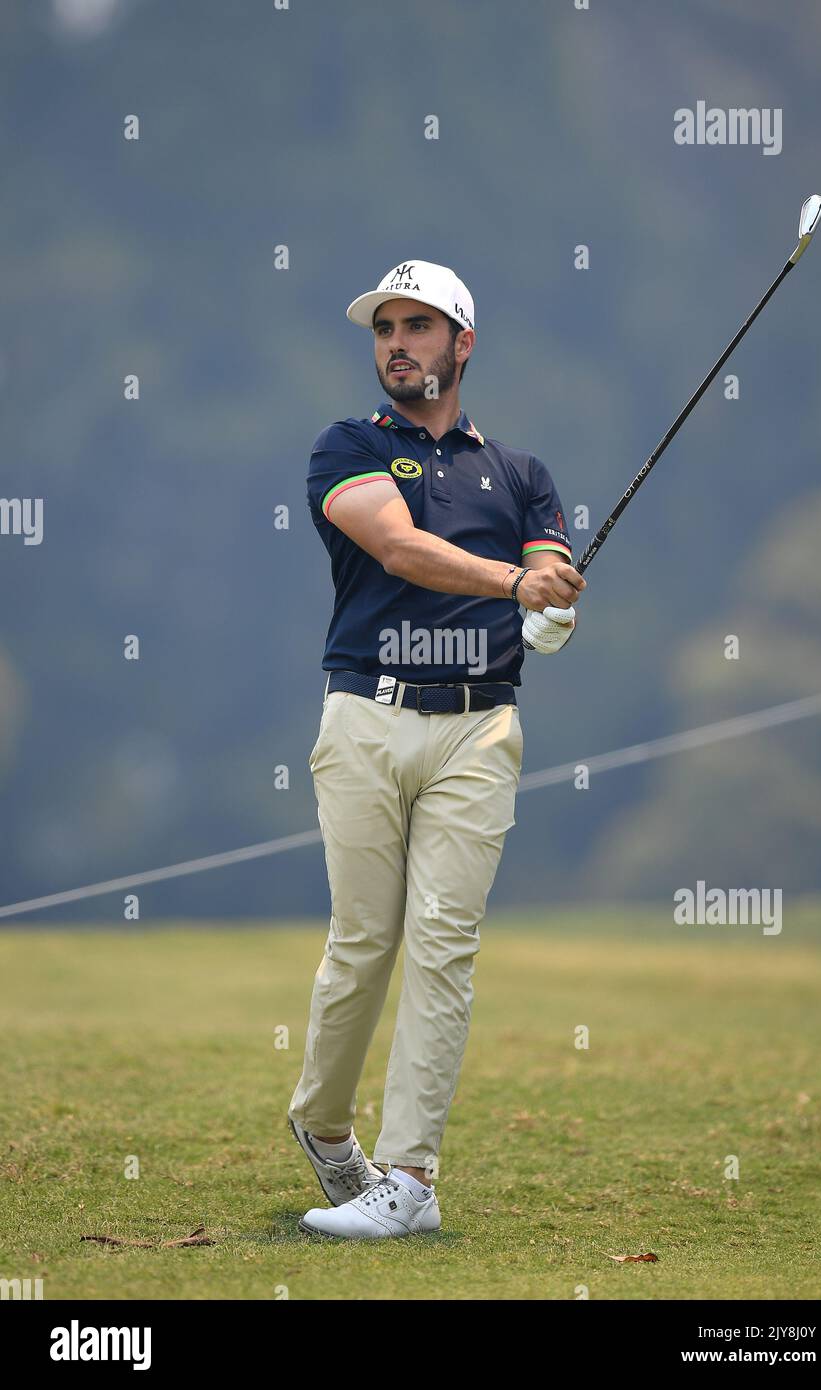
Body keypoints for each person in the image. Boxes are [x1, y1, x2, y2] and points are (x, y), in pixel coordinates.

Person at [288, 259, 586, 1239]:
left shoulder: (520, 473)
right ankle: (325, 1127)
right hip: (366, 720)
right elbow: (398, 547)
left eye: (418, 326)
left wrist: (551, 605)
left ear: (461, 343)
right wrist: (512, 585)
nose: (396, 343)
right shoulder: (348, 446)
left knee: (443, 951)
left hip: (478, 729)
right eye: (384, 329)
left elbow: (550, 565)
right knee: (363, 947)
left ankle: (408, 1179)